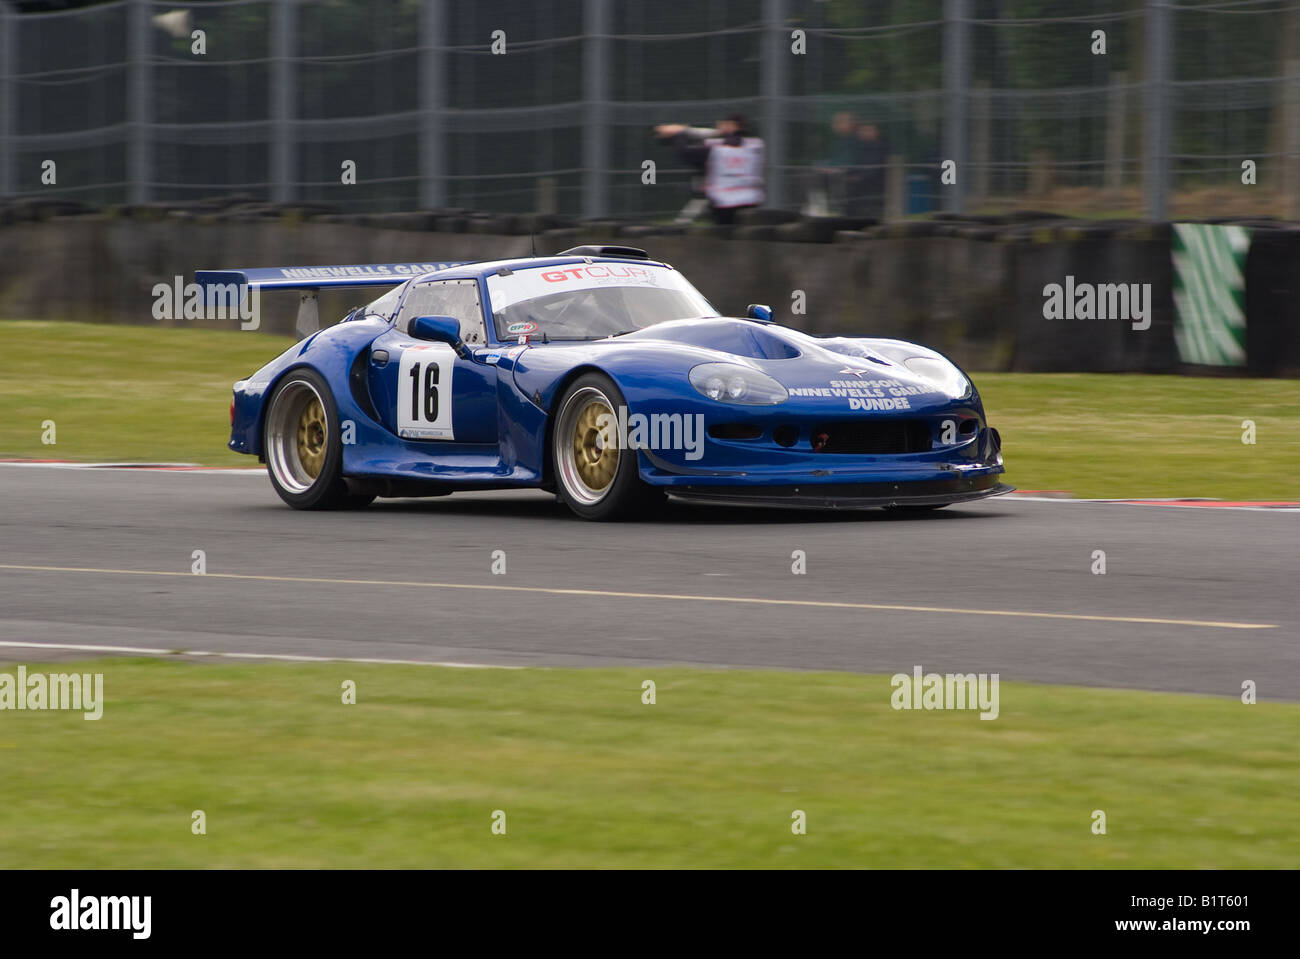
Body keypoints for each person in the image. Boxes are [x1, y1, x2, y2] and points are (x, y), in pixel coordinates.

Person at [655, 114, 765, 225]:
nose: (719, 128)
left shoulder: (716, 148)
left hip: (724, 204)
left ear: (733, 126)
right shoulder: (756, 145)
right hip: (752, 200)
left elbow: (684, 154)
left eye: (723, 125)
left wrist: (680, 134)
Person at [851, 121, 888, 219]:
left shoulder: (880, 147)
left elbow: (875, 169)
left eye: (867, 130)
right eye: (862, 130)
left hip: (875, 186)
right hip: (862, 185)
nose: (864, 133)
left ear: (876, 131)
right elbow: (855, 165)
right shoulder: (860, 147)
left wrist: (858, 178)